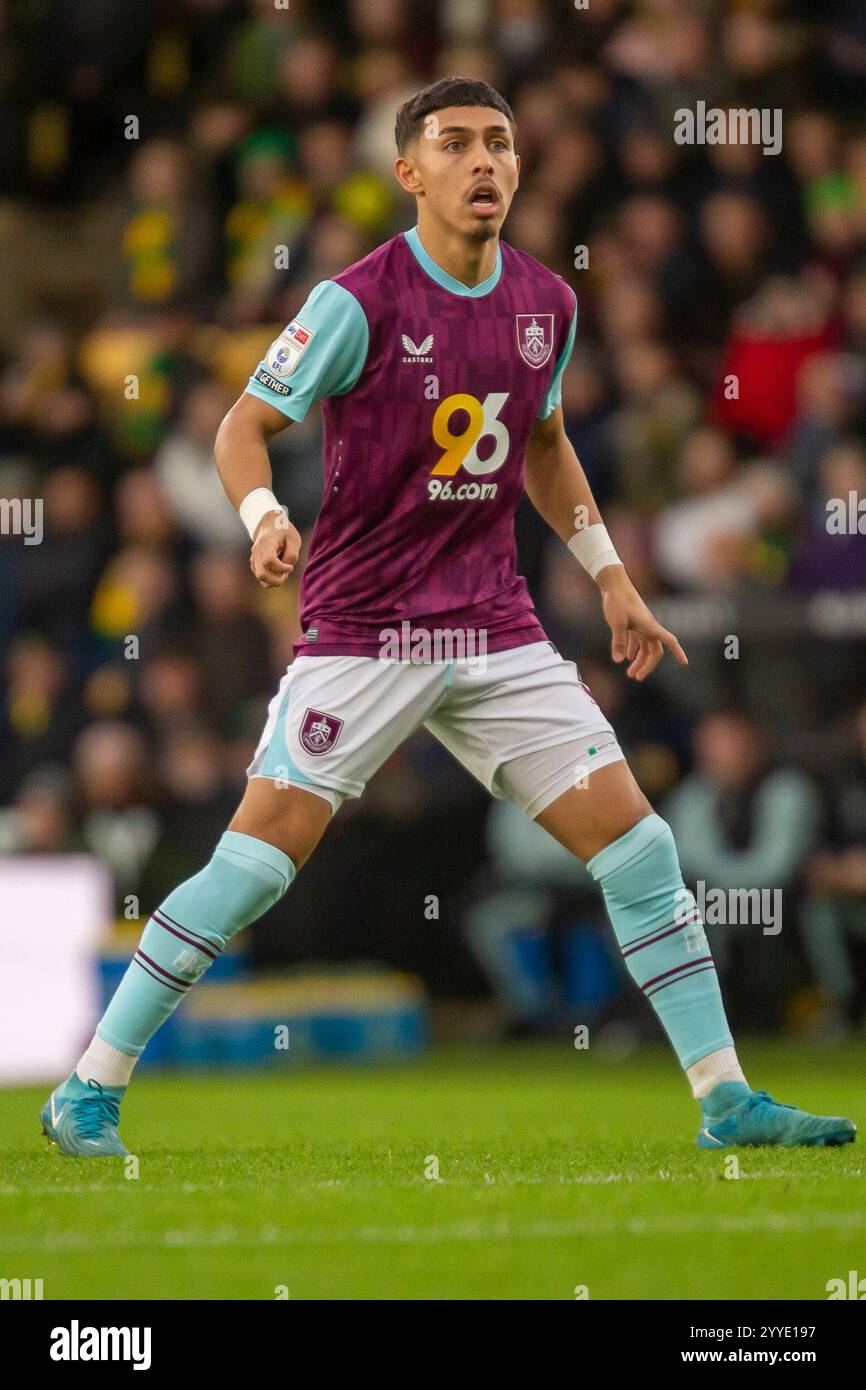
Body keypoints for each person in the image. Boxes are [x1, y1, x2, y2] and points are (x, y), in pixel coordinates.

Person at [43, 78, 854, 1157]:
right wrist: (260, 514)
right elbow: (241, 426)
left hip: (493, 629)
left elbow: (547, 445)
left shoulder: (545, 306)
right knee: (251, 870)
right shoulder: (355, 301)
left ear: (518, 169)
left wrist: (609, 573)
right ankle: (88, 1088)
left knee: (639, 843)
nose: (483, 162)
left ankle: (722, 1098)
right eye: (457, 144)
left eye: (500, 144)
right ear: (408, 173)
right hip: (364, 629)